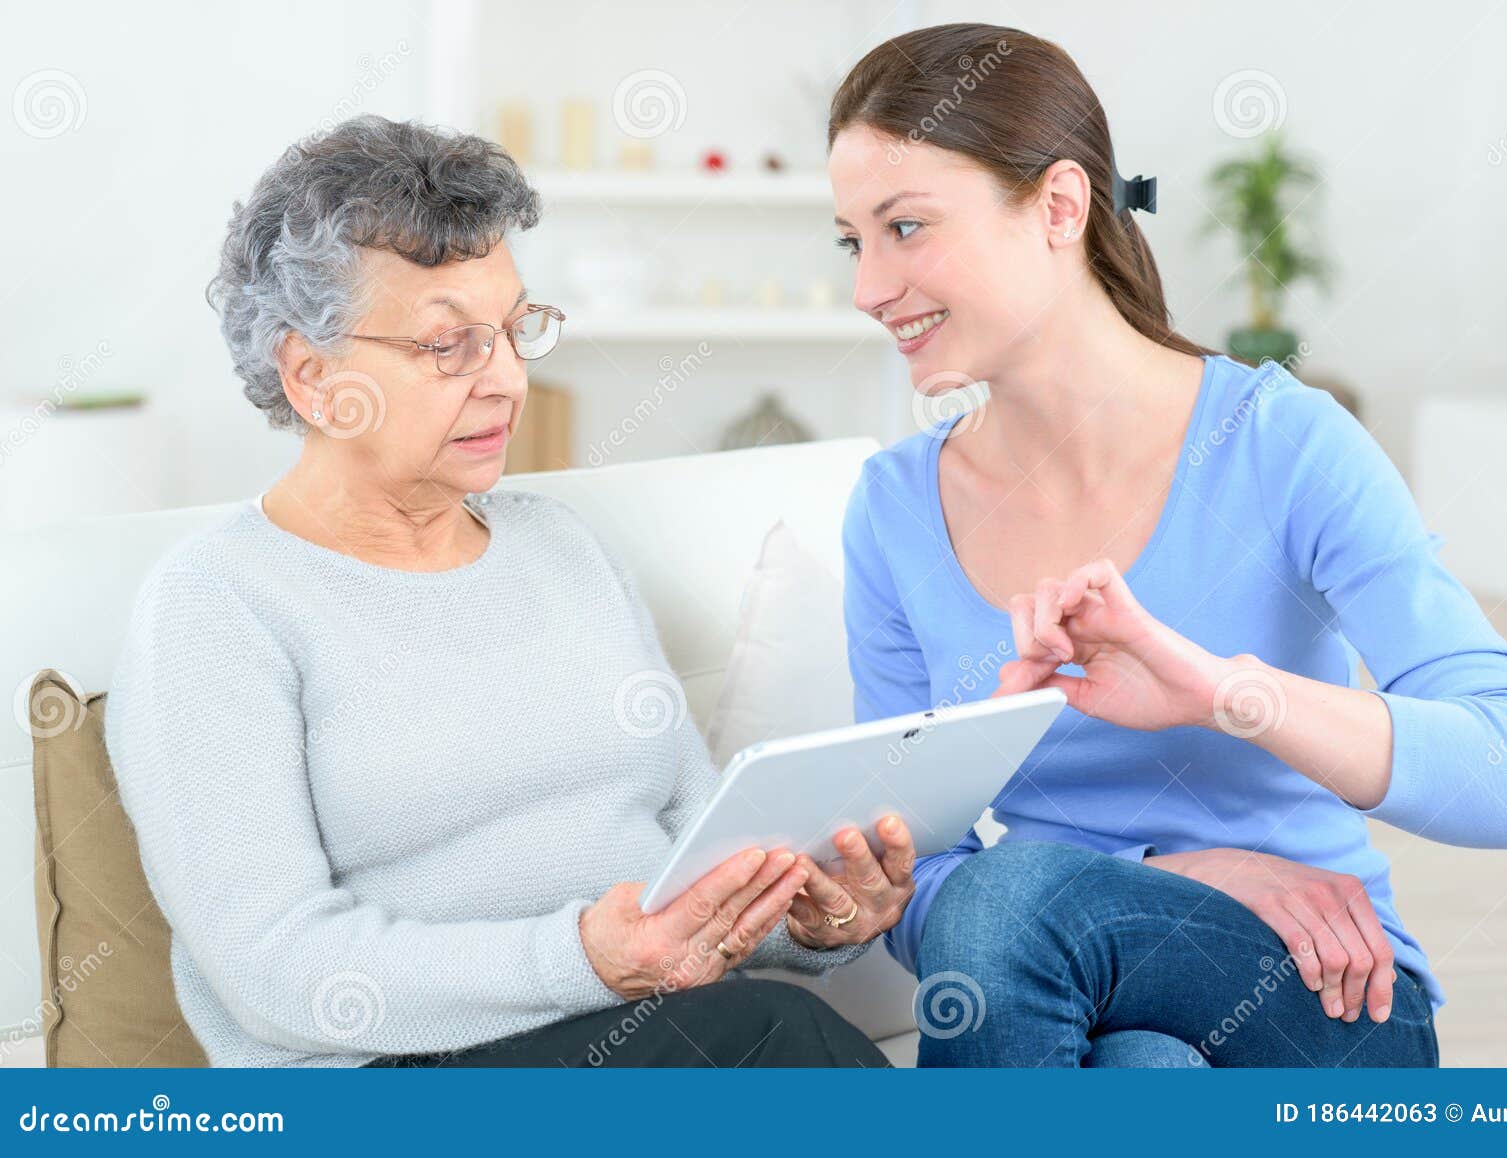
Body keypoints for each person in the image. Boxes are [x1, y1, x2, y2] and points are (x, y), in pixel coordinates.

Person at [827, 24, 1507, 1067]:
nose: (867, 287)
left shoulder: (1281, 444)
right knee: (1143, 1069)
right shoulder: (894, 509)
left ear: (1059, 208)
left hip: (1321, 992)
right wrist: (1159, 883)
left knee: (1007, 906)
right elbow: (914, 880)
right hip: (1065, 1002)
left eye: (905, 227)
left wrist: (1225, 691)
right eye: (852, 242)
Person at [105, 116, 912, 1069]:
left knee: (769, 1031)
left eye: (514, 330)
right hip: (389, 1076)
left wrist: (811, 920)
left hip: (645, 1030)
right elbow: (276, 972)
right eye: (448, 344)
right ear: (313, 376)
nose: (506, 381)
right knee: (769, 1036)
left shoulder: (559, 547)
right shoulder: (215, 605)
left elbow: (694, 852)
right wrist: (583, 960)